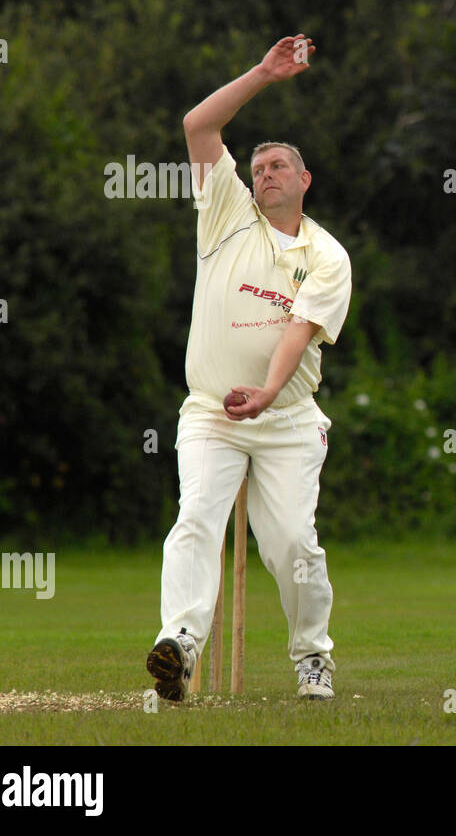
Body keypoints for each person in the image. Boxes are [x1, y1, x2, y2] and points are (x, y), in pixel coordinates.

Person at [146, 34, 351, 701]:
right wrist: (265, 73)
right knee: (197, 517)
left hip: (287, 416)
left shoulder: (326, 255)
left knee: (290, 543)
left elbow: (298, 329)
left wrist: (266, 391)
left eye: (277, 166)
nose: (264, 173)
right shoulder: (227, 211)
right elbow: (198, 124)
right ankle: (178, 643)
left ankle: (312, 657)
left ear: (304, 180)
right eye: (257, 165)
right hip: (211, 410)